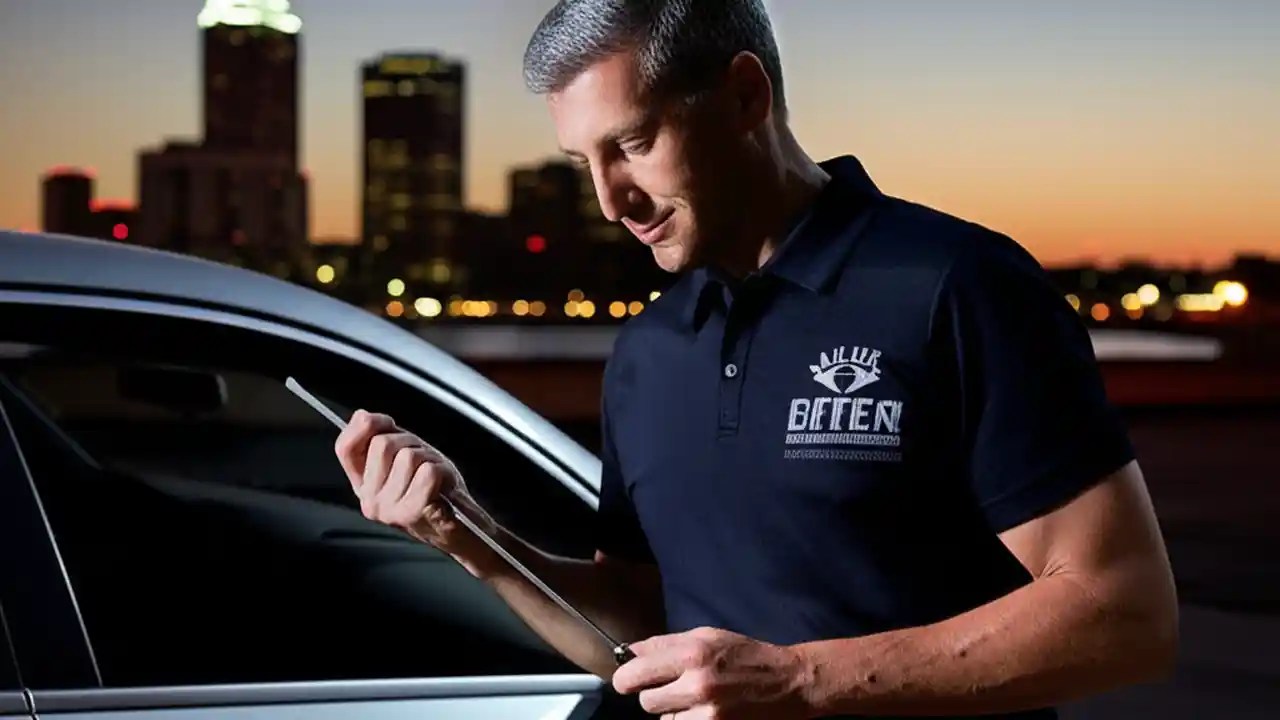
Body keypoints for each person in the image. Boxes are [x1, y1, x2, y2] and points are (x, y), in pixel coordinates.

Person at [334, 1, 1179, 717]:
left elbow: (1126, 613)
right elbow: (637, 630)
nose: (608, 200)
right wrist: (473, 540)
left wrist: (800, 681)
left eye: (630, 144)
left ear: (744, 96)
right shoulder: (648, 352)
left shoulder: (956, 287)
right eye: (582, 162)